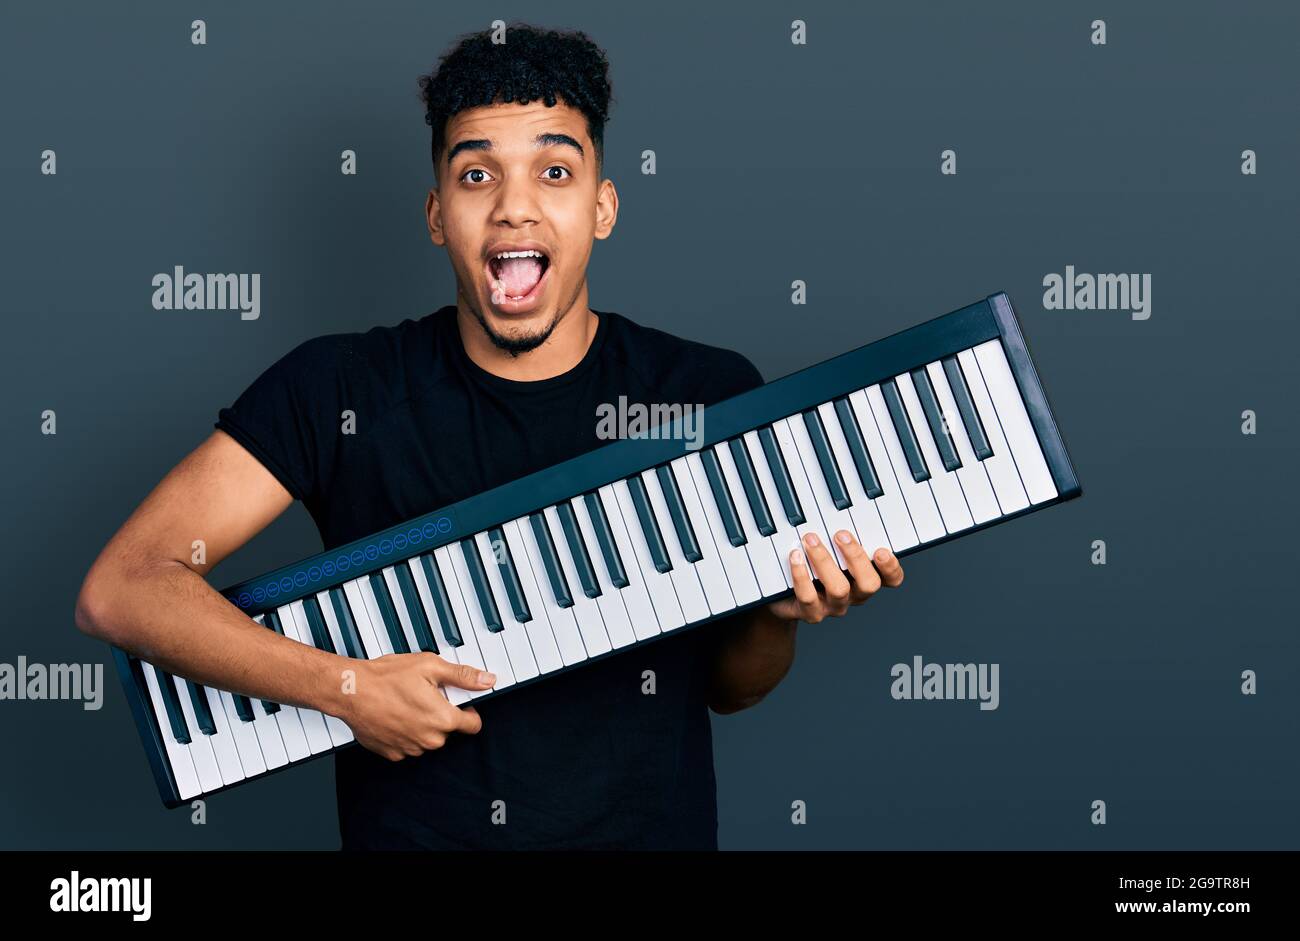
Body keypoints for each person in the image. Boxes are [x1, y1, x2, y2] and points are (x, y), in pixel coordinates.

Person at [75, 22, 904, 849]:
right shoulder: (340, 388)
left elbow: (731, 689)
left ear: (603, 206)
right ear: (438, 214)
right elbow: (125, 586)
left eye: (554, 171)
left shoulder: (703, 394)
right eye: (478, 175)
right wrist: (343, 686)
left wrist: (780, 614)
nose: (514, 206)